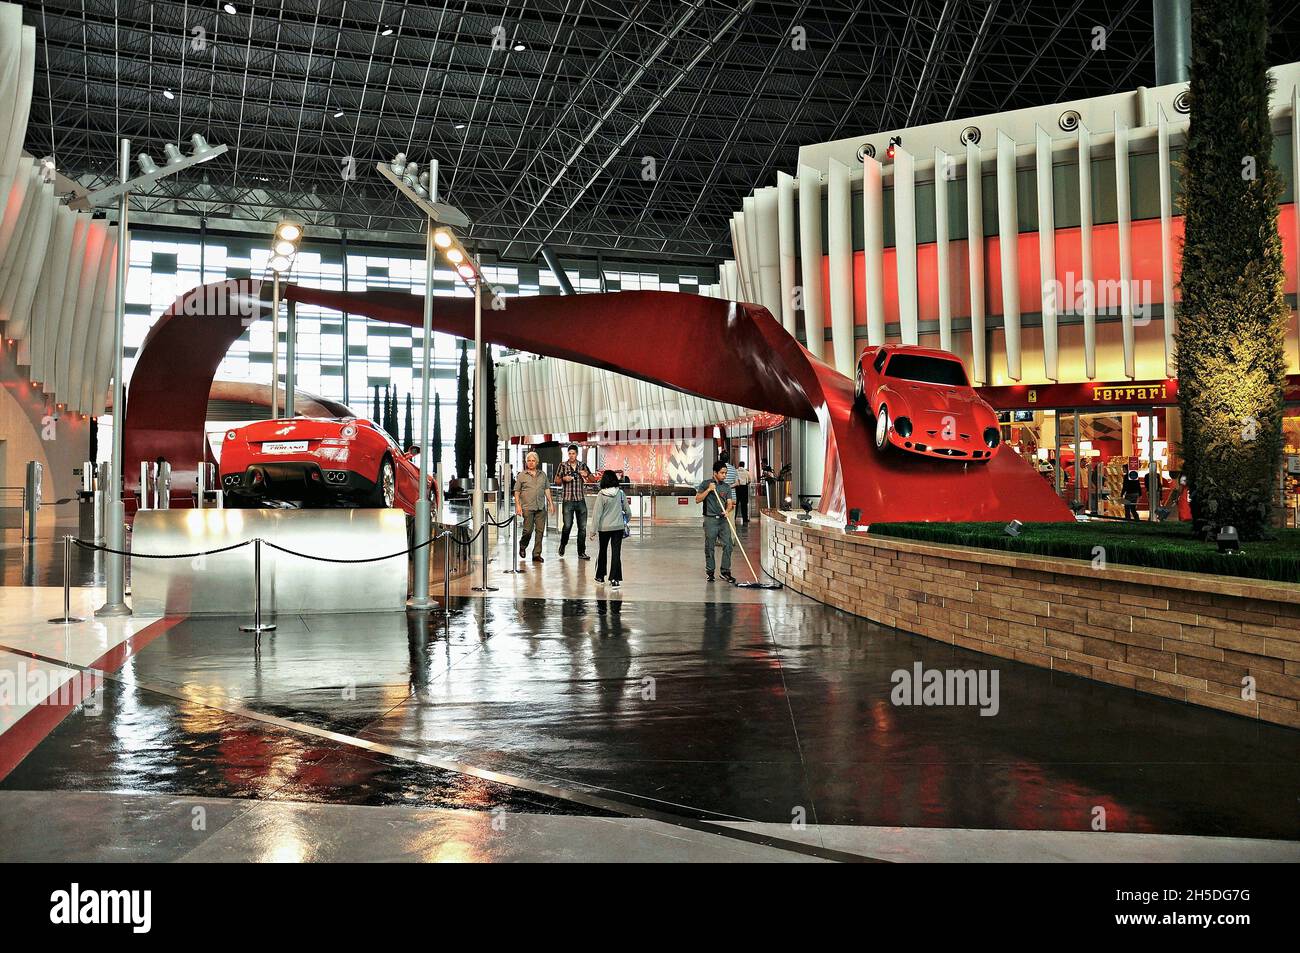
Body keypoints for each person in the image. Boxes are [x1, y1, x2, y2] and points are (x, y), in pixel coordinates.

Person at [589, 469, 632, 589]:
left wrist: (592, 531)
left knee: (602, 551)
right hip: (618, 528)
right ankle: (615, 579)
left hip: (604, 528)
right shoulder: (621, 493)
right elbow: (628, 512)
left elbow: (597, 514)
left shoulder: (601, 494)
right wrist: (625, 521)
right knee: (616, 553)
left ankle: (600, 576)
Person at [695, 460, 736, 582]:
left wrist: (727, 511)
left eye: (725, 473)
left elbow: (729, 503)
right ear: (715, 473)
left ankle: (725, 571)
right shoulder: (705, 484)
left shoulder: (726, 487)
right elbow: (697, 499)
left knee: (728, 545)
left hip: (723, 520)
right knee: (710, 547)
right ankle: (710, 572)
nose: (724, 475)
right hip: (710, 520)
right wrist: (708, 490)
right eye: (722, 473)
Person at [514, 451, 554, 562]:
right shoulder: (522, 475)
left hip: (541, 507)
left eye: (533, 461)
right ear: (526, 462)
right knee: (528, 530)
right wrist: (518, 506)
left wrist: (551, 503)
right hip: (527, 507)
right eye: (529, 461)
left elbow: (547, 489)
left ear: (537, 462)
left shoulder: (543, 475)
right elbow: (516, 491)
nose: (531, 463)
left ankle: (536, 554)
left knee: (540, 531)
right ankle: (523, 545)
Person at [556, 444, 593, 560]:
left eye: (573, 453)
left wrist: (586, 475)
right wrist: (563, 479)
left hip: (580, 500)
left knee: (582, 527)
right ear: (568, 454)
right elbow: (556, 480)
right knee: (567, 525)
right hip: (567, 500)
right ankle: (563, 544)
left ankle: (581, 552)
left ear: (577, 454)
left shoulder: (582, 465)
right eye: (570, 453)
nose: (571, 455)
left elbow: (593, 479)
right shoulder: (562, 465)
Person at [734, 459, 753, 525]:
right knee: (744, 504)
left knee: (735, 503)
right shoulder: (746, 472)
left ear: (739, 465)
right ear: (744, 465)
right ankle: (745, 519)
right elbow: (749, 480)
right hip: (744, 488)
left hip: (737, 488)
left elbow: (734, 480)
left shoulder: (735, 471)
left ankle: (733, 518)